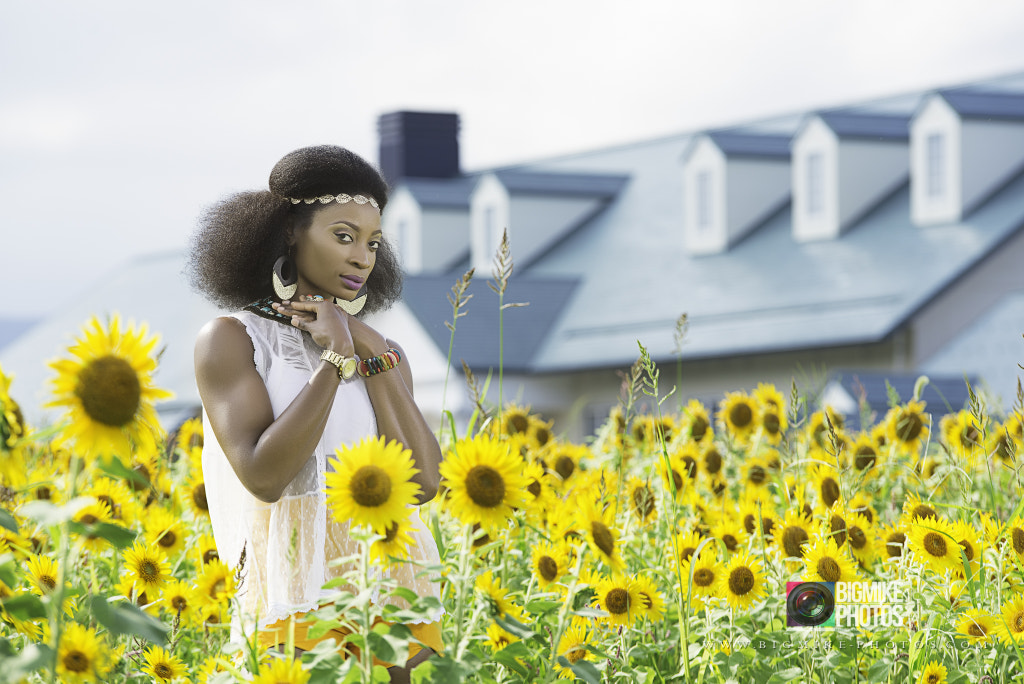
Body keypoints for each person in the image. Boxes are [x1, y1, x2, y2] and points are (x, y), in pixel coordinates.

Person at [188, 145, 443, 681]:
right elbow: (265, 476)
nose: (362, 257)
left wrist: (372, 357)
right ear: (288, 233)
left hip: (386, 573)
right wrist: (335, 361)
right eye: (344, 236)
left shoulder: (381, 349)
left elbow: (421, 483)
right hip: (290, 580)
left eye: (373, 243)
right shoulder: (234, 340)